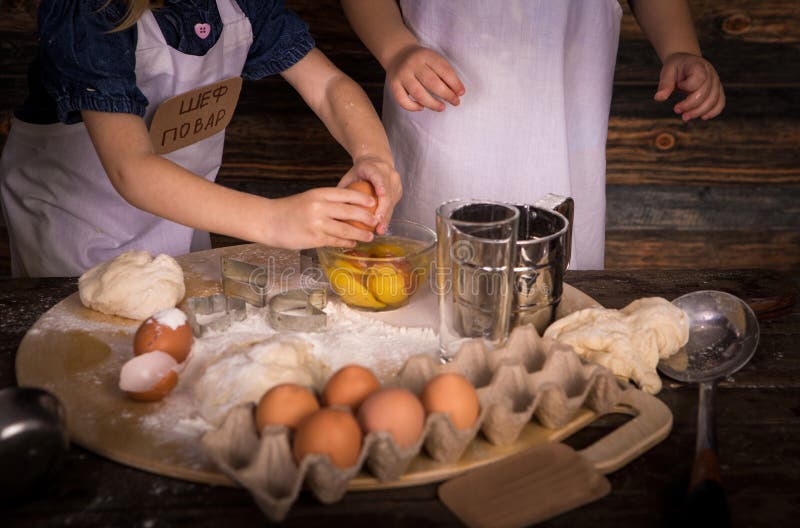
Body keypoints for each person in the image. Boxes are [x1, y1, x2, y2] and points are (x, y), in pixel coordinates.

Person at [0, 0, 402, 277]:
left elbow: (329, 85)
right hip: (77, 225)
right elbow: (131, 169)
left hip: (186, 210)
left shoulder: (239, 5)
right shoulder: (91, 11)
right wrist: (273, 220)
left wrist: (374, 157)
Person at [341, 0, 725, 269]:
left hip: (561, 137)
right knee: (432, 286)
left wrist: (680, 48)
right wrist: (396, 48)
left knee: (560, 292)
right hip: (438, 125)